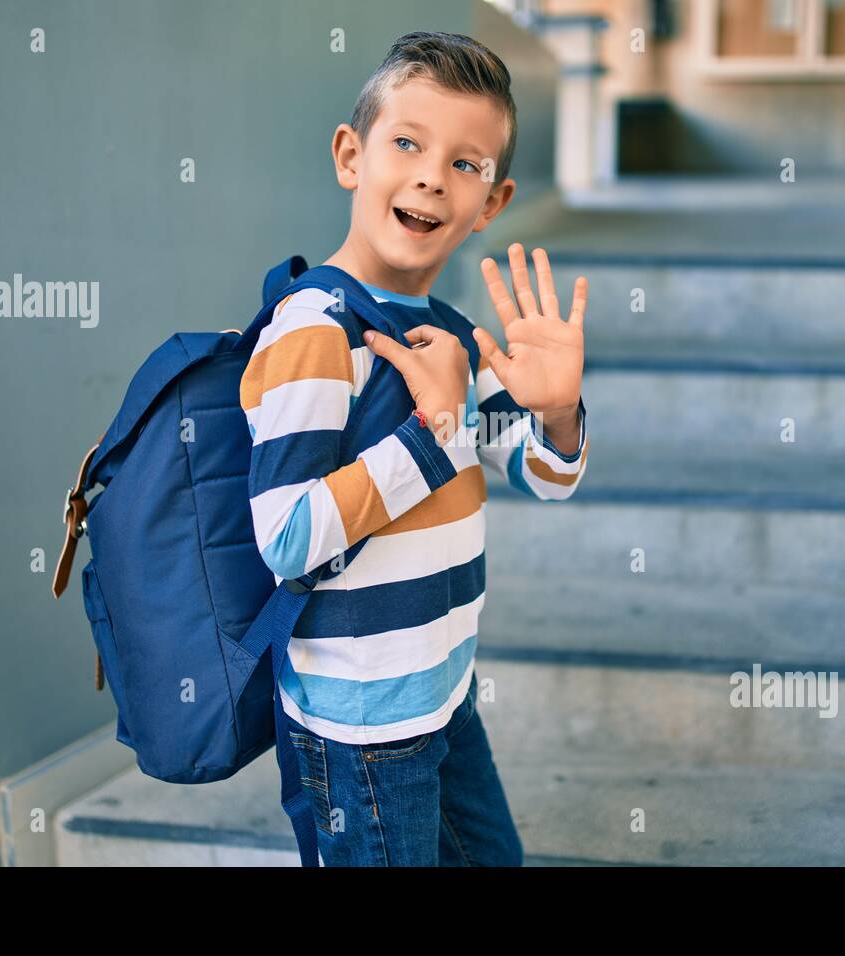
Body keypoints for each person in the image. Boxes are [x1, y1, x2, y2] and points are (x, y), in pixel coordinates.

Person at [240, 30, 590, 866]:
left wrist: (560, 410)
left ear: (492, 204)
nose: (434, 173)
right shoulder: (313, 329)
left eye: (467, 164)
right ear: (350, 156)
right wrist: (433, 432)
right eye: (407, 143)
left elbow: (544, 476)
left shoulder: (457, 337)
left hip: (442, 694)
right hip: (358, 729)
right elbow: (287, 538)